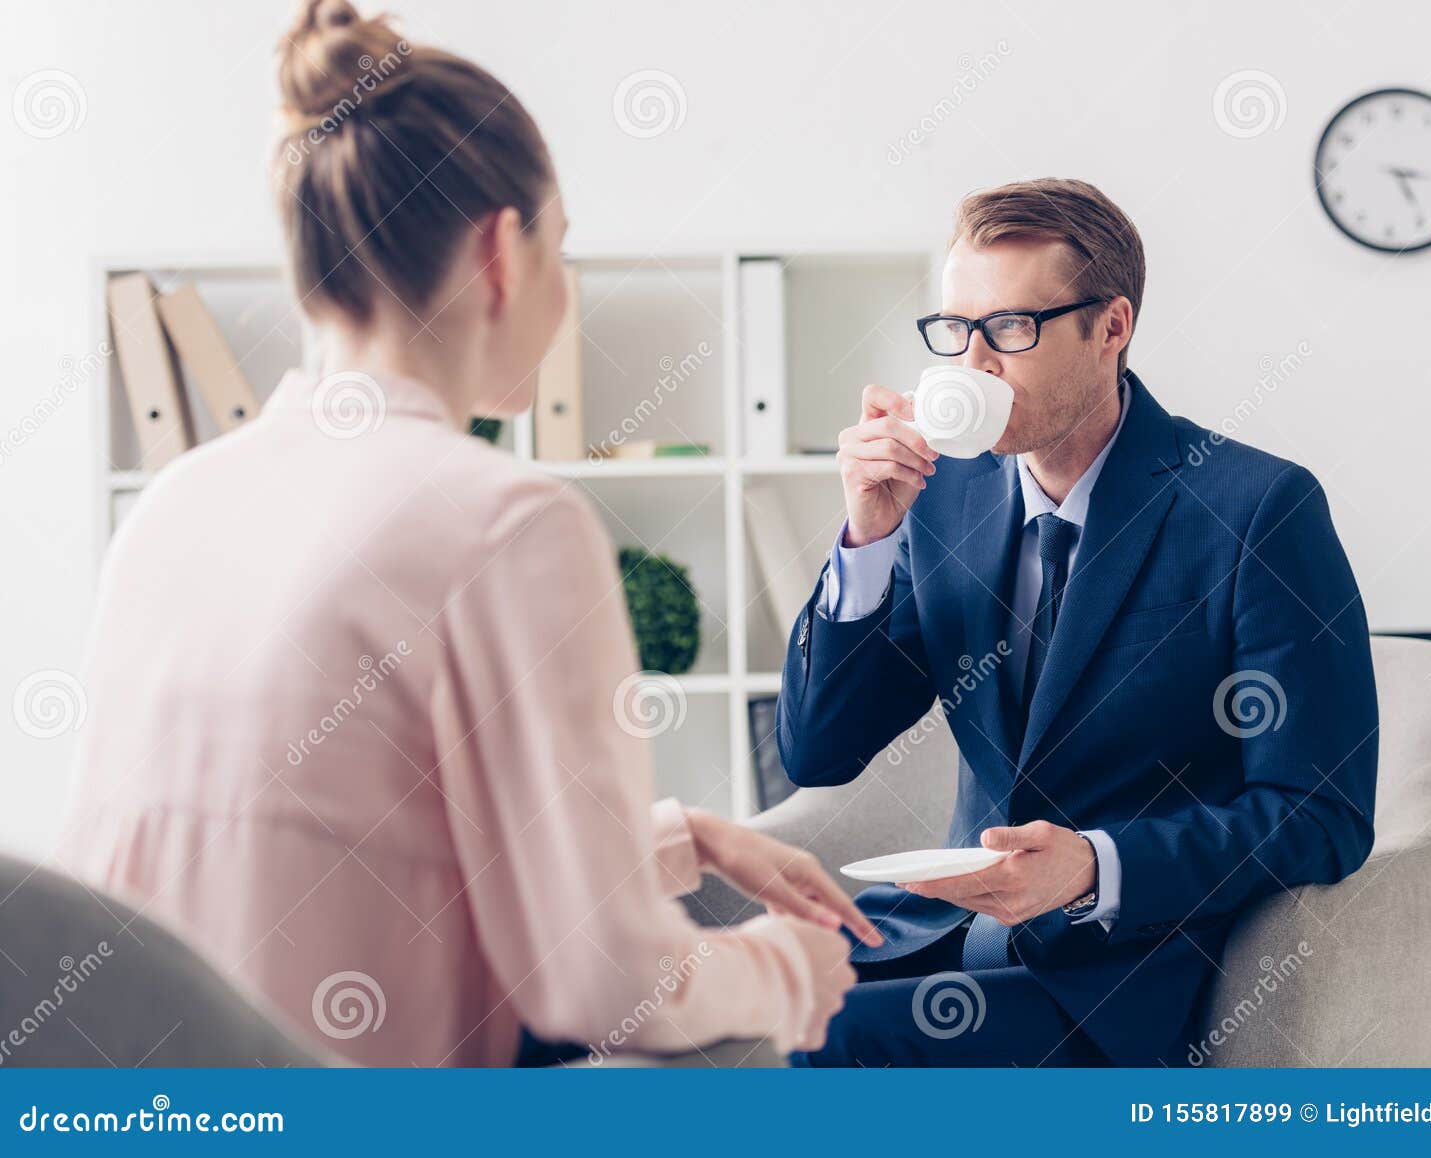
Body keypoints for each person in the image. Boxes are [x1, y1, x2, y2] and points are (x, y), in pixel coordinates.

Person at [58, 0, 869, 1067]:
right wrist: (789, 973)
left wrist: (674, 842)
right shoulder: (510, 524)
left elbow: (328, 866)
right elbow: (604, 982)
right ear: (501, 251)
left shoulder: (174, 507)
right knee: (747, 1057)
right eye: (561, 250)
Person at [779, 178, 1380, 1067]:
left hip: (1118, 974)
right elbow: (819, 751)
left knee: (841, 1043)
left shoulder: (1254, 508)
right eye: (955, 331)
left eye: (1011, 330)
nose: (973, 366)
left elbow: (1321, 813)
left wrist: (1095, 865)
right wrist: (868, 536)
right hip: (934, 938)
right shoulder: (941, 505)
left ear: (1111, 328)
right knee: (708, 999)